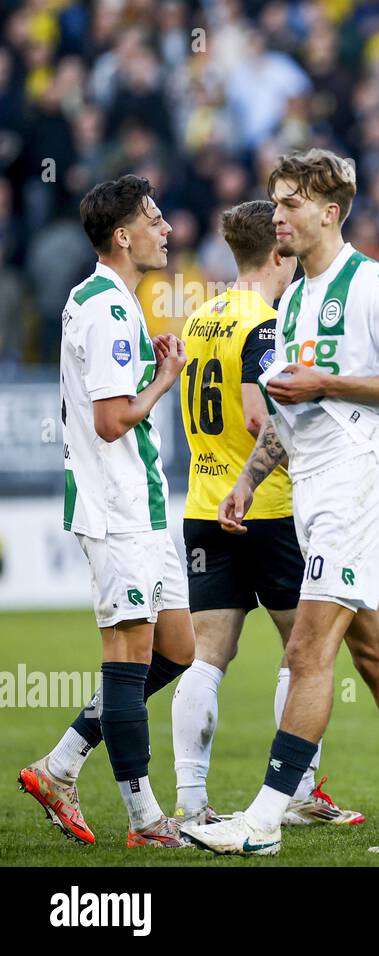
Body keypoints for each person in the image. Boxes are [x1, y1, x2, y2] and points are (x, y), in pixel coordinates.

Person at [182, 149, 379, 855]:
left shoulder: (372, 286)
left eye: (289, 204)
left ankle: (264, 820)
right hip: (311, 484)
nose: (277, 216)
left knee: (308, 651)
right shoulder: (297, 299)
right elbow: (289, 412)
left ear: (329, 212)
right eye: (274, 203)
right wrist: (249, 479)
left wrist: (328, 383)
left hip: (358, 485)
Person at [171, 199, 362, 827]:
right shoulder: (268, 324)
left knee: (208, 656)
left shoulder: (201, 317)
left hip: (203, 503)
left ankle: (192, 803)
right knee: (303, 652)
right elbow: (261, 415)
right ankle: (300, 791)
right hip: (270, 508)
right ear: (280, 252)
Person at [20, 175, 194, 848]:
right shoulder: (106, 307)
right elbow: (113, 420)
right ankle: (147, 821)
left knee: (176, 650)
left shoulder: (110, 300)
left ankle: (60, 766)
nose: (166, 229)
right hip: (117, 510)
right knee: (129, 658)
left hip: (142, 508)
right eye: (154, 218)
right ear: (123, 236)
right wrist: (163, 380)